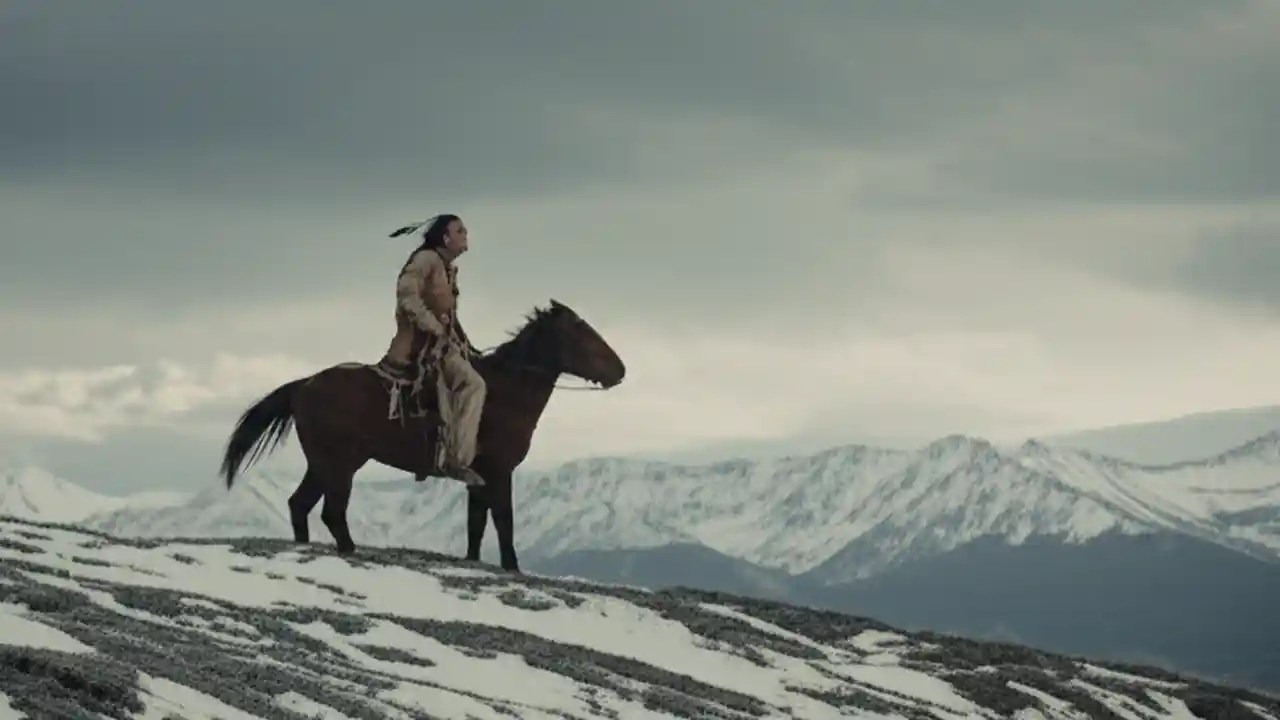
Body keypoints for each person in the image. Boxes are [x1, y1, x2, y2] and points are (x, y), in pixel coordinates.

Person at [383, 214, 486, 487]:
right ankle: (456, 459)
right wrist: (435, 328)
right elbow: (407, 297)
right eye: (460, 231)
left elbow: (447, 315)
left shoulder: (447, 268)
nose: (466, 235)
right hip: (421, 347)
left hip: (441, 346)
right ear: (445, 238)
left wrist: (462, 341)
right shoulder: (425, 260)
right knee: (473, 384)